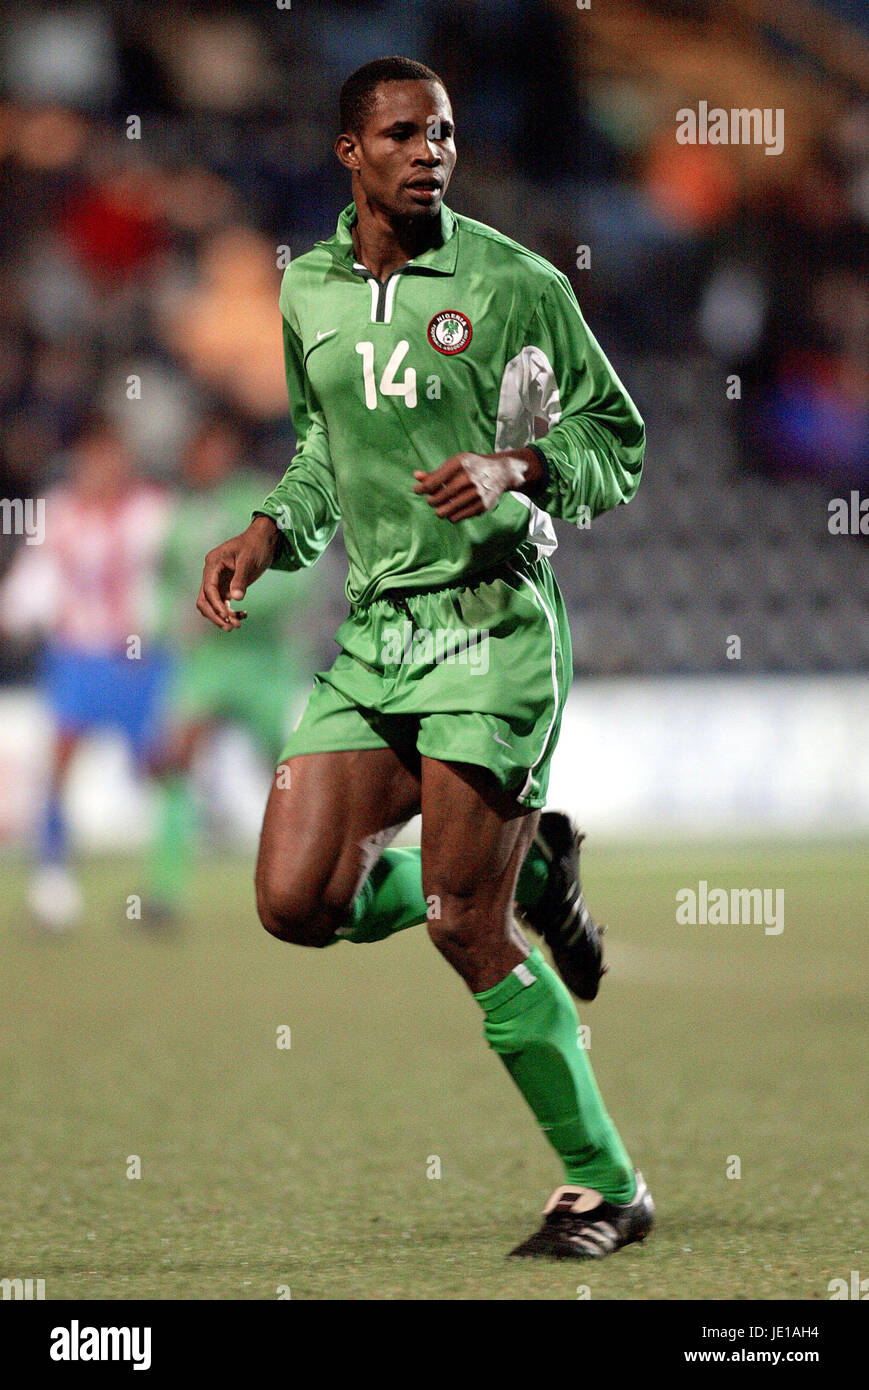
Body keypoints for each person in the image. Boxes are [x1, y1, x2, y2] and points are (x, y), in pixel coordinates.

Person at [196, 56, 652, 1259]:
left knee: (461, 922)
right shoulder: (307, 291)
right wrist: (269, 530)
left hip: (492, 627)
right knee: (296, 902)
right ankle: (536, 872)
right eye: (401, 134)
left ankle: (605, 1185)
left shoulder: (514, 284)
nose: (429, 152)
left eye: (443, 133)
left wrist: (517, 467)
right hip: (377, 635)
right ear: (351, 152)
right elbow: (317, 449)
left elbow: (617, 440)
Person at [145, 414, 321, 924]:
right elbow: (164, 585)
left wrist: (236, 605)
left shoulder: (261, 508)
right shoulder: (181, 513)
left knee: (287, 776)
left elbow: (296, 583)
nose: (206, 461)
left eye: (215, 450)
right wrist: (164, 624)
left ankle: (309, 878)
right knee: (177, 761)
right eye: (199, 452)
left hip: (263, 663)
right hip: (207, 665)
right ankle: (164, 892)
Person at [1, 414, 169, 930]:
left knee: (160, 771)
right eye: (92, 460)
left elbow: (178, 572)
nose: (101, 469)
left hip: (137, 660)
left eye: (111, 459)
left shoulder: (153, 512)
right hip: (76, 656)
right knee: (60, 767)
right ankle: (53, 881)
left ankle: (163, 885)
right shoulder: (57, 512)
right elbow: (33, 579)